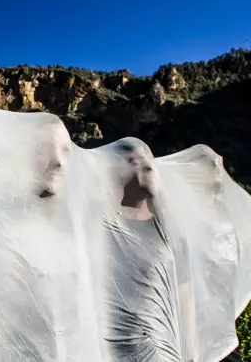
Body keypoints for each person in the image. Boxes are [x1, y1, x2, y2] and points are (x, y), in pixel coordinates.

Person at [104, 139, 197, 362]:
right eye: (134, 161)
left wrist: (191, 354)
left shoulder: (170, 231)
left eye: (149, 160)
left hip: (162, 350)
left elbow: (185, 299)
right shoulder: (100, 230)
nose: (147, 165)